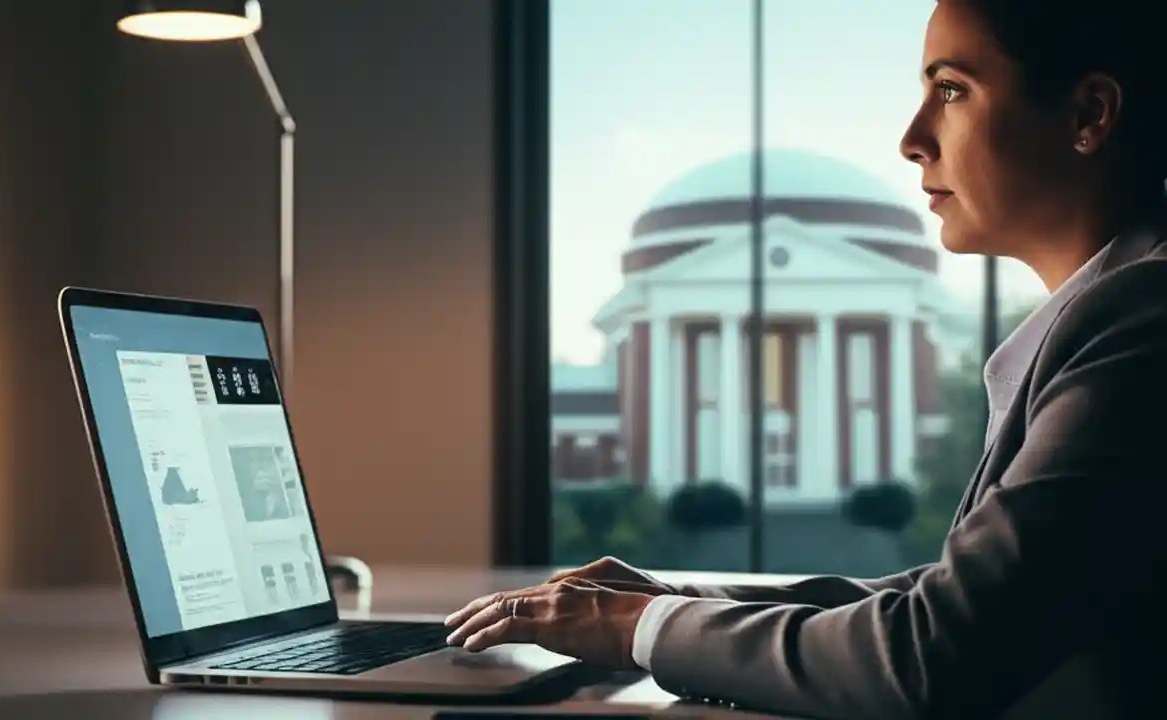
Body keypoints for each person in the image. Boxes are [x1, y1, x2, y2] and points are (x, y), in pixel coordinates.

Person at [444, 1, 1167, 717]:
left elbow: (930, 655)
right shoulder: (1115, 313)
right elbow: (958, 602)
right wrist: (666, 604)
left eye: (951, 89)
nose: (912, 139)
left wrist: (631, 626)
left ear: (1088, 115)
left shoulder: (1143, 325)